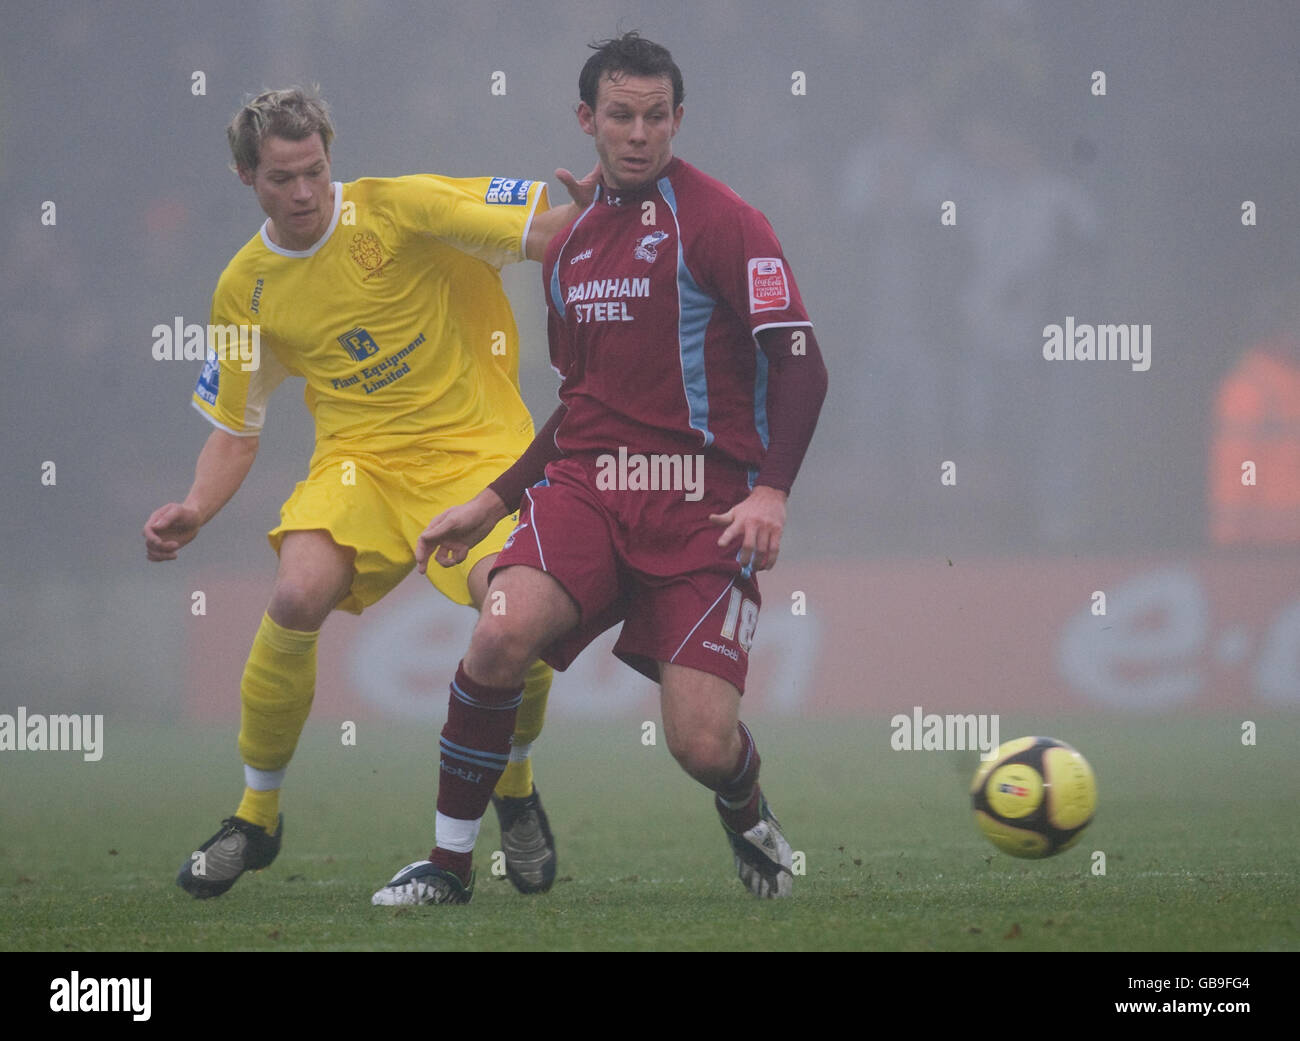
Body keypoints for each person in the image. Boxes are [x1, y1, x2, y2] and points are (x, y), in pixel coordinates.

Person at [372, 32, 827, 905]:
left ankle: (745, 804)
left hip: (702, 508)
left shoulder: (728, 221)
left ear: (679, 119)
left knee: (699, 742)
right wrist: (493, 500)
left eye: (657, 116)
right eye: (620, 115)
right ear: (587, 120)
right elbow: (582, 404)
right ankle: (449, 864)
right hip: (588, 489)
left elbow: (801, 361)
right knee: (502, 632)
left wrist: (771, 489)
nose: (638, 133)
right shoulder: (573, 243)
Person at [143, 86, 591, 899]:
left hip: (475, 452)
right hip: (360, 467)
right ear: (247, 176)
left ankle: (515, 792)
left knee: (512, 615)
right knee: (294, 595)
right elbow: (238, 429)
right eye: (283, 178)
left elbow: (545, 230)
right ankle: (256, 816)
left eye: (315, 170)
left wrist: (596, 214)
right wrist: (195, 509)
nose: (306, 191)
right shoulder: (243, 288)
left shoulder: (400, 207)